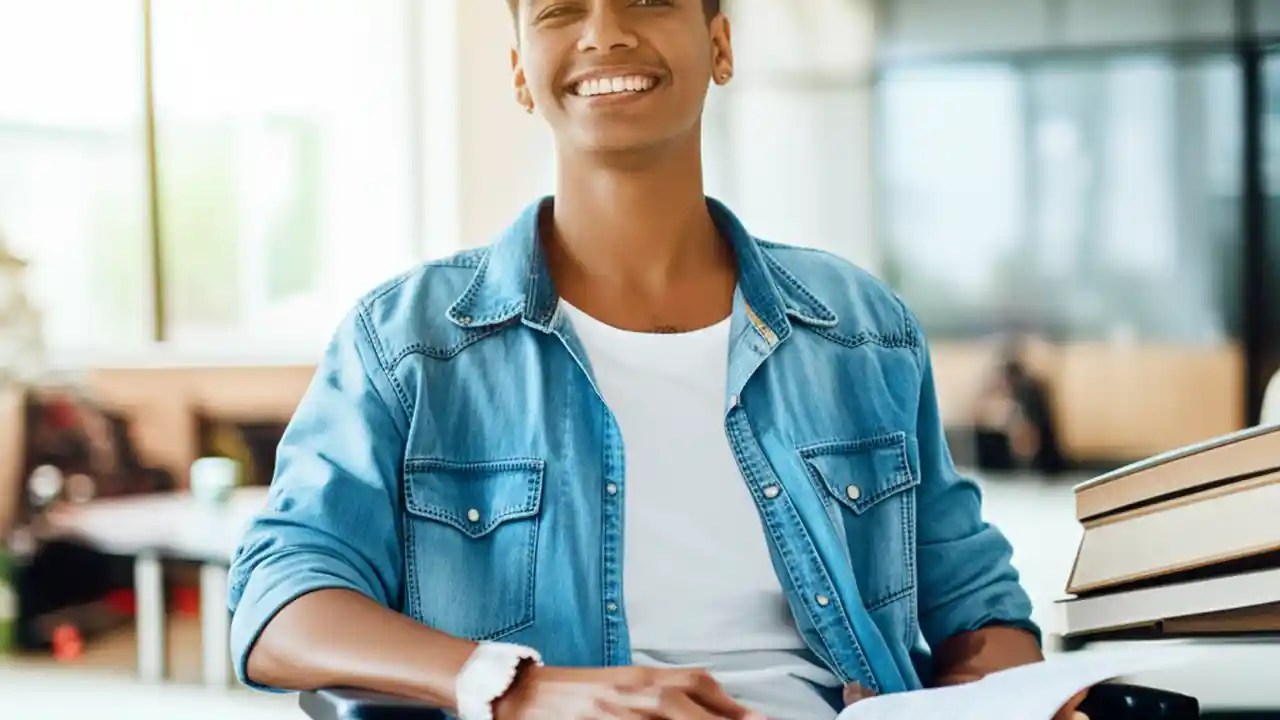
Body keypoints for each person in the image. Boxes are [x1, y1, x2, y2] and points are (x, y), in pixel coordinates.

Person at [228, 2, 1088, 719]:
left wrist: (994, 699)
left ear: (719, 45)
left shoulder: (862, 330)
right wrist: (517, 691)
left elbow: (979, 606)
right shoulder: (409, 341)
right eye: (562, 10)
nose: (604, 32)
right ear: (521, 71)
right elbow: (278, 601)